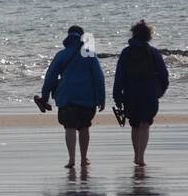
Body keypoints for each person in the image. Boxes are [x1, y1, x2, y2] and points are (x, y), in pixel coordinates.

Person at [38, 25, 106, 169]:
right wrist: (101, 98)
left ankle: (71, 159)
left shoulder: (61, 55)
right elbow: (99, 78)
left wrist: (44, 97)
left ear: (68, 37)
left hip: (66, 98)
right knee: (84, 127)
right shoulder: (89, 54)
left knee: (69, 127)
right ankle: (83, 158)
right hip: (87, 99)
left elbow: (50, 77)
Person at [112, 20, 170, 167]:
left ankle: (136, 155)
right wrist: (160, 91)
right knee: (145, 124)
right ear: (148, 36)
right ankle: (141, 157)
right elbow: (164, 75)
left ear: (133, 34)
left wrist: (117, 95)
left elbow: (119, 75)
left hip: (131, 93)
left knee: (135, 125)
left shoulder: (126, 52)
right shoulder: (153, 52)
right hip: (149, 93)